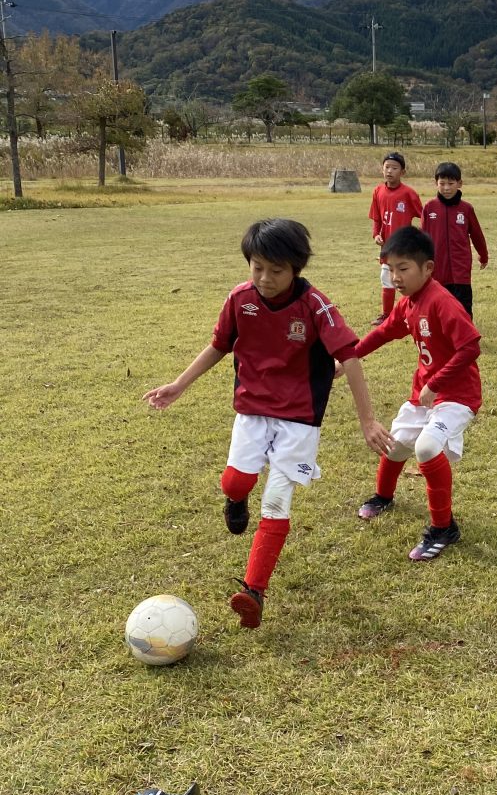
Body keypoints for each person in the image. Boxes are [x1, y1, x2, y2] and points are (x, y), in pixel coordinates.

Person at [143, 219, 390, 627]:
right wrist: (178, 385)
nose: (265, 278)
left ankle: (253, 589)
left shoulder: (316, 306)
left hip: (299, 420)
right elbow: (219, 346)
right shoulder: (240, 299)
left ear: (296, 268)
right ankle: (236, 498)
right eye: (257, 267)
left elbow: (350, 357)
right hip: (252, 412)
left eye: (277, 270)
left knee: (276, 500)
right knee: (236, 482)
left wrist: (367, 420)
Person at [351, 225, 481, 561]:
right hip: (424, 395)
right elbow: (384, 332)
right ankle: (383, 496)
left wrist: (435, 383)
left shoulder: (441, 302)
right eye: (390, 269)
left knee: (425, 447)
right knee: (395, 443)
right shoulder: (407, 303)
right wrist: (350, 357)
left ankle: (444, 528)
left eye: (403, 268)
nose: (395, 277)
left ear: (427, 268)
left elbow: (470, 346)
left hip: (456, 396)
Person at [421, 160, 489, 316]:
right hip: (437, 270)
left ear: (459, 184)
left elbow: (477, 235)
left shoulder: (466, 209)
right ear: (436, 183)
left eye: (450, 183)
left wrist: (483, 255)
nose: (446, 188)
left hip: (460, 270)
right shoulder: (429, 208)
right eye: (442, 183)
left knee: (463, 309)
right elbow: (423, 240)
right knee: (439, 309)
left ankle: (466, 340)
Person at [368, 150, 422, 322]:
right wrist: (376, 235)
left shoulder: (408, 193)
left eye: (395, 168)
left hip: (404, 246)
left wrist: (417, 238)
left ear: (403, 172)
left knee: (407, 280)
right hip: (387, 247)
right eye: (387, 167)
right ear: (382, 169)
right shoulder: (377, 191)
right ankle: (387, 315)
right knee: (386, 278)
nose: (390, 171)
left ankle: (413, 313)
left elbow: (424, 216)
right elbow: (376, 218)